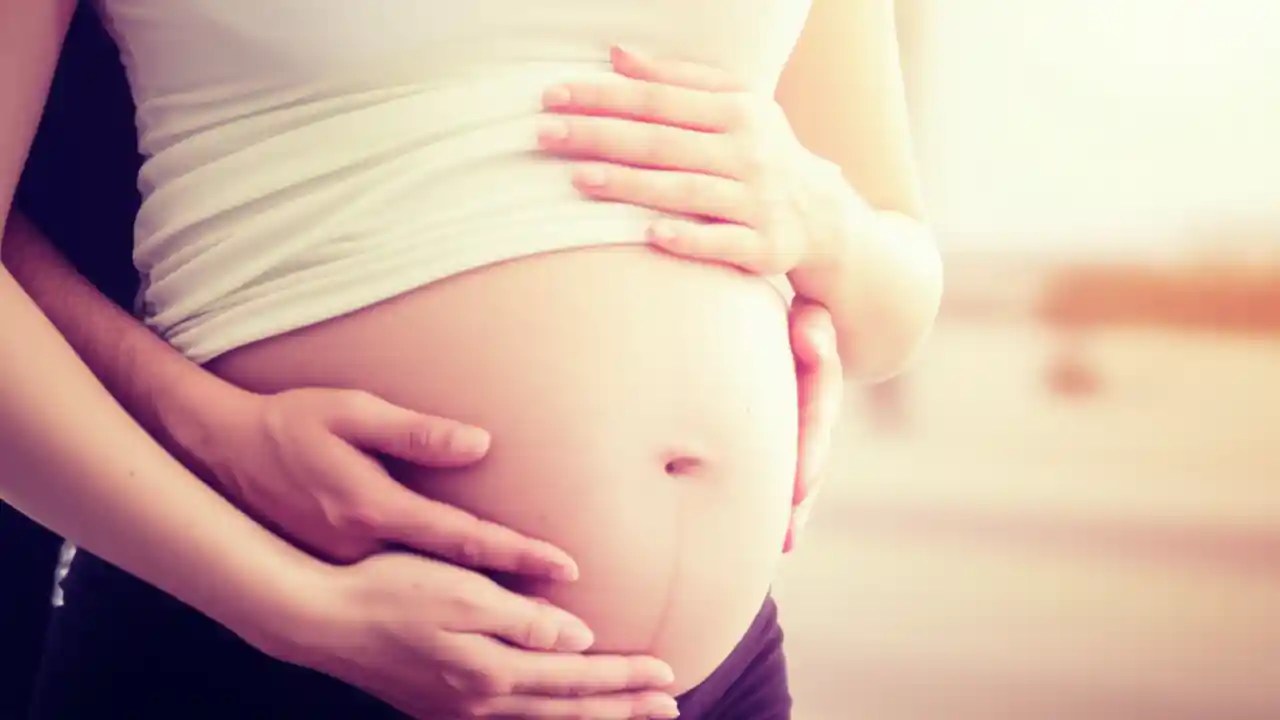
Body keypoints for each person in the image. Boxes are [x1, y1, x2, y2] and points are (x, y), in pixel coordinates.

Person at [1, 2, 941, 719]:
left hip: (713, 679)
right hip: (272, 642)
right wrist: (301, 613)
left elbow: (896, 305)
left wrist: (831, 229)